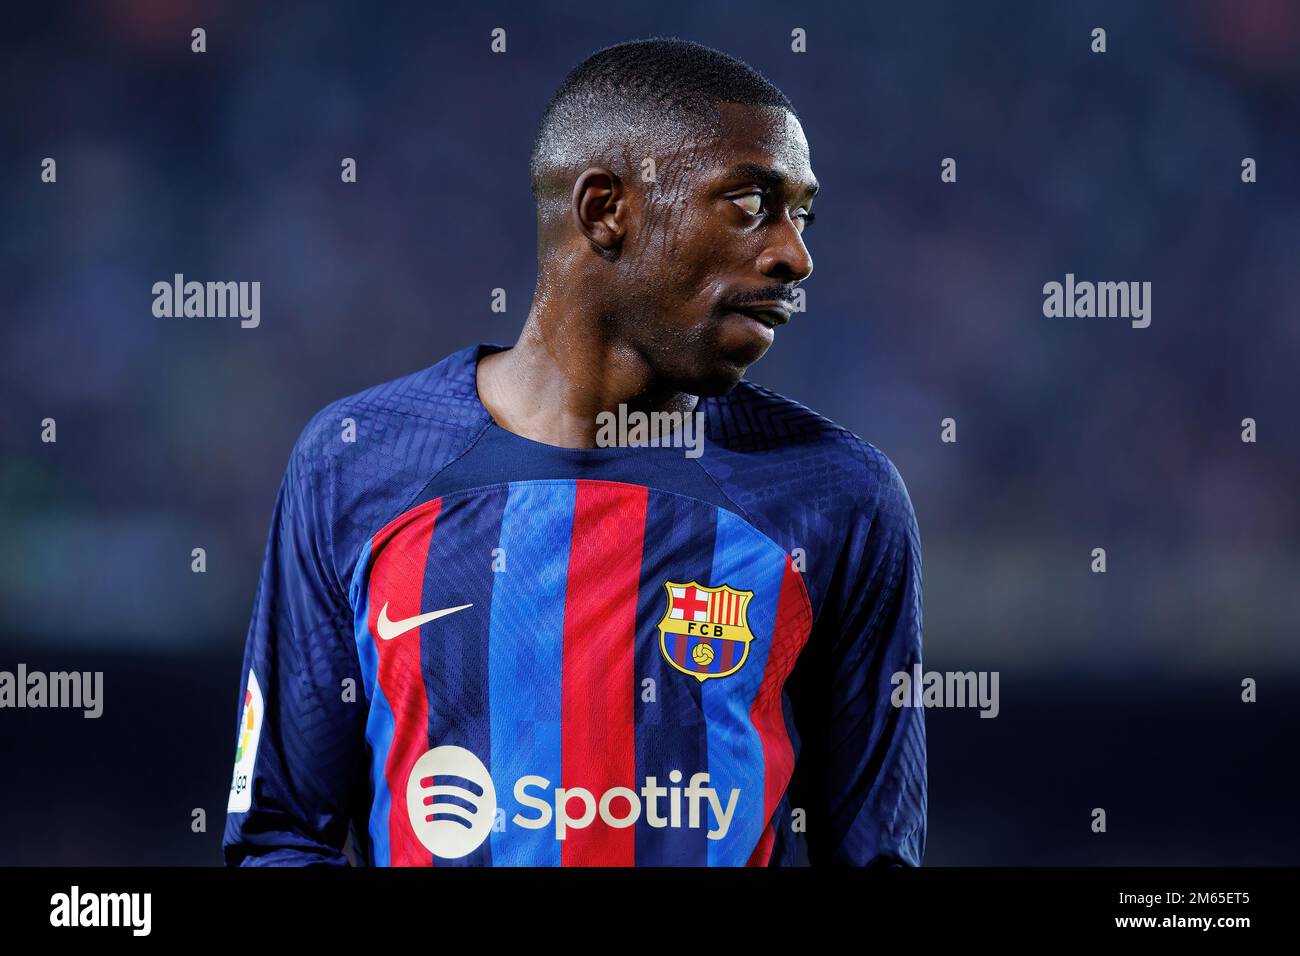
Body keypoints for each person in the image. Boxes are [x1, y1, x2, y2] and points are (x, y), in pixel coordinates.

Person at [223, 37, 925, 867]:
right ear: (605, 211)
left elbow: (877, 856)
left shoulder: (836, 496)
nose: (794, 256)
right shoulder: (356, 464)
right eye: (748, 203)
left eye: (800, 216)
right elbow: (278, 835)